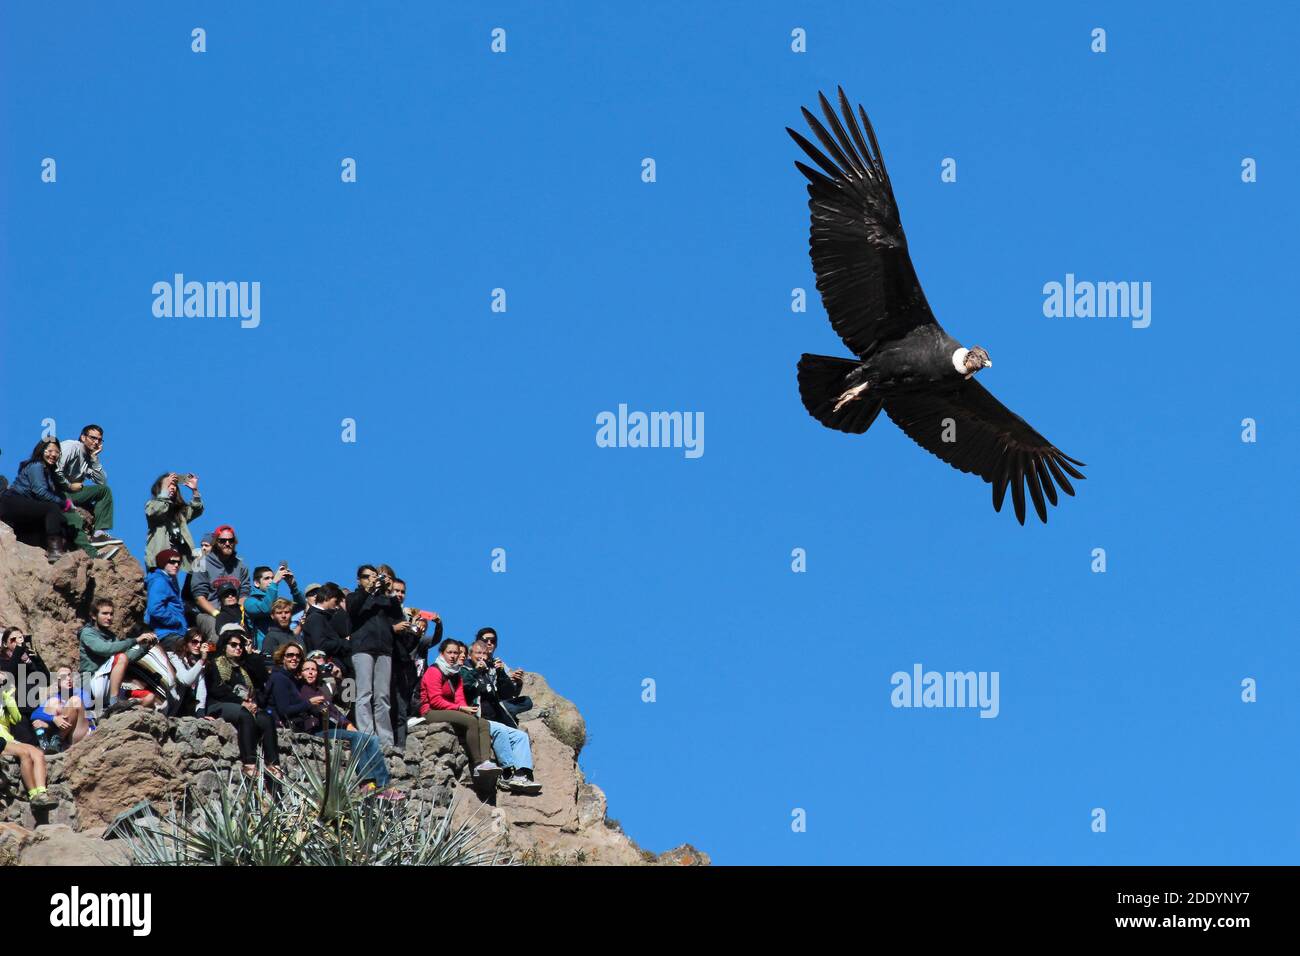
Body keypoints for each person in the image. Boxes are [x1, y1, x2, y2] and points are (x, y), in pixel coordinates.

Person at [296, 656, 401, 799]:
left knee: (372, 738)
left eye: (313, 669)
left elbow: (334, 710)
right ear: (300, 673)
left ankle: (383, 784)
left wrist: (348, 724)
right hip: (316, 730)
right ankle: (366, 781)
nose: (310, 672)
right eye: (306, 669)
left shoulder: (319, 691)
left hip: (328, 728)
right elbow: (319, 711)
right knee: (356, 736)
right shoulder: (301, 690)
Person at [418, 638, 500, 789]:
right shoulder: (434, 671)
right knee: (470, 722)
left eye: (456, 652)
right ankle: (477, 763)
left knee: (482, 722)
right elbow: (435, 701)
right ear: (442, 653)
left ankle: (486, 761)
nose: (453, 656)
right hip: (431, 711)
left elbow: (460, 697)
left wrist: (465, 709)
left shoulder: (456, 674)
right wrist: (461, 709)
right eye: (449, 652)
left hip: (449, 709)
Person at [462, 639, 541, 794]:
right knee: (500, 731)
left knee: (520, 736)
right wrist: (476, 671)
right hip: (477, 718)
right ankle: (508, 772)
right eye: (478, 653)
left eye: (485, 654)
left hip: (496, 718)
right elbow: (465, 687)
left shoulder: (490, 671)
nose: (482, 657)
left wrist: (500, 673)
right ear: (470, 654)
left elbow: (507, 693)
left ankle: (523, 774)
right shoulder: (464, 669)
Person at [204, 625, 279, 779]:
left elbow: (262, 679)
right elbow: (217, 690)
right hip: (219, 704)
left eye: (240, 645)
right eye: (233, 645)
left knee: (265, 718)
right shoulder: (215, 663)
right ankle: (249, 762)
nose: (238, 648)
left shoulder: (243, 667)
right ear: (224, 646)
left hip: (244, 704)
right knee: (244, 715)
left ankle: (273, 763)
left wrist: (250, 653)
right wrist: (241, 702)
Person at [0, 438, 93, 559]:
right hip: (12, 502)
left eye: (57, 452)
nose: (53, 454)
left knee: (60, 520)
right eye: (49, 451)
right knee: (52, 509)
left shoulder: (48, 472)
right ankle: (54, 551)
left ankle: (74, 551)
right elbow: (40, 492)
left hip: (22, 507)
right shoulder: (36, 466)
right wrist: (63, 504)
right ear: (41, 450)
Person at [346, 565, 402, 748]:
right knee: (364, 693)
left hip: (384, 649)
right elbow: (353, 609)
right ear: (358, 580)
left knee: (383, 697)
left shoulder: (384, 599)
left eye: (373, 576)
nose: (370, 579)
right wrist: (368, 590)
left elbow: (397, 613)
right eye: (365, 576)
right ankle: (367, 736)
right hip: (362, 648)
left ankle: (386, 741)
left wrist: (388, 590)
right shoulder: (354, 596)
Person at [78, 599, 154, 711]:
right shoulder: (87, 633)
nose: (109, 617)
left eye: (111, 614)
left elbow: (129, 657)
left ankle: (121, 710)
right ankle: (114, 703)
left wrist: (145, 647)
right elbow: (104, 649)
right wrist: (135, 640)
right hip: (91, 685)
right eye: (104, 613)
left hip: (108, 686)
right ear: (94, 616)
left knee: (149, 697)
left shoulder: (112, 636)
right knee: (121, 657)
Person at [57, 424, 121, 552]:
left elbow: (102, 482)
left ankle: (99, 534)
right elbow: (55, 469)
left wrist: (94, 459)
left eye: (99, 440)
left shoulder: (88, 458)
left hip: (73, 493)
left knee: (104, 491)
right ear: (83, 437)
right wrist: (69, 485)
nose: (96, 442)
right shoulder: (71, 447)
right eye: (93, 438)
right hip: (58, 490)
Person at [0, 674, 57, 808]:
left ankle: (42, 792)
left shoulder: (3, 698)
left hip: (8, 738)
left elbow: (17, 718)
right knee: (24, 753)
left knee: (38, 753)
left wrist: (8, 697)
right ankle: (33, 795)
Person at [190, 525, 250, 642]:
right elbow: (199, 597)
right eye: (223, 541)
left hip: (234, 614)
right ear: (216, 542)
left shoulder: (241, 566)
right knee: (218, 635)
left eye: (231, 540)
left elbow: (245, 592)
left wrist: (239, 613)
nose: (227, 543)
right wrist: (217, 614)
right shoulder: (201, 564)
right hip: (209, 613)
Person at [388, 578, 423, 749]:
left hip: (402, 669)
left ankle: (400, 748)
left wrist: (415, 632)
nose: (400, 595)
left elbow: (407, 647)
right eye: (396, 591)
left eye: (403, 592)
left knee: (401, 710)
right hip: (384, 666)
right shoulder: (381, 611)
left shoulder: (404, 615)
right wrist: (392, 629)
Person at [144, 472, 204, 571]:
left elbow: (197, 510)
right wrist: (164, 491)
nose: (172, 488)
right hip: (158, 561)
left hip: (174, 563)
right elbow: (157, 511)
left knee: (199, 567)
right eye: (169, 485)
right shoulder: (152, 505)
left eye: (174, 485)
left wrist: (195, 490)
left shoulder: (179, 512)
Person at [30, 667, 95, 752]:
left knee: (75, 701)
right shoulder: (55, 698)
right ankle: (48, 745)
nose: (68, 679)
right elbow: (34, 715)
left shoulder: (81, 693)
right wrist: (53, 719)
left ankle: (58, 740)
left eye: (70, 675)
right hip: (64, 734)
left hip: (79, 732)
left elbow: (88, 715)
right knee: (41, 718)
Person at [476, 627, 532, 721]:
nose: (489, 643)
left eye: (493, 641)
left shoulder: (500, 664)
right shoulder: (472, 660)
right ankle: (500, 714)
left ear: (496, 645)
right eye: (485, 640)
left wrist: (517, 682)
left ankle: (501, 713)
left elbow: (512, 694)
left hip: (499, 702)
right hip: (482, 703)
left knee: (527, 701)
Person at [245, 563, 306, 650]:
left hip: (283, 649)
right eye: (267, 578)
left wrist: (292, 586)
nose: (270, 581)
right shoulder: (250, 602)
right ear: (257, 583)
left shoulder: (275, 600)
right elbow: (267, 609)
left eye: (272, 578)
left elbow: (301, 606)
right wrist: (275, 583)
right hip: (264, 651)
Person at [302, 583, 352, 672]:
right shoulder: (316, 618)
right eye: (336, 601)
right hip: (324, 670)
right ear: (326, 597)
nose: (337, 606)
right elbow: (320, 645)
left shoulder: (323, 617)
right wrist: (344, 642)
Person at [163, 629, 208, 717]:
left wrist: (201, 713)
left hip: (180, 709)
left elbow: (201, 689)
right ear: (186, 642)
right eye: (194, 642)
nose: (198, 645)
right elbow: (186, 680)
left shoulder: (194, 662)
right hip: (165, 704)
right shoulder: (174, 657)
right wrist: (202, 660)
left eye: (201, 642)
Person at [144, 549, 187, 638]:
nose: (176, 565)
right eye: (172, 562)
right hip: (166, 633)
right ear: (163, 562)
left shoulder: (166, 580)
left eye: (179, 563)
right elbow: (155, 608)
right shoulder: (160, 581)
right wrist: (175, 621)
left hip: (171, 632)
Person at [260, 599, 297, 665]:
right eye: (279, 613)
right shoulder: (270, 637)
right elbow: (267, 664)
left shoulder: (297, 637)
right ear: (272, 616)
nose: (283, 616)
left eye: (286, 612)